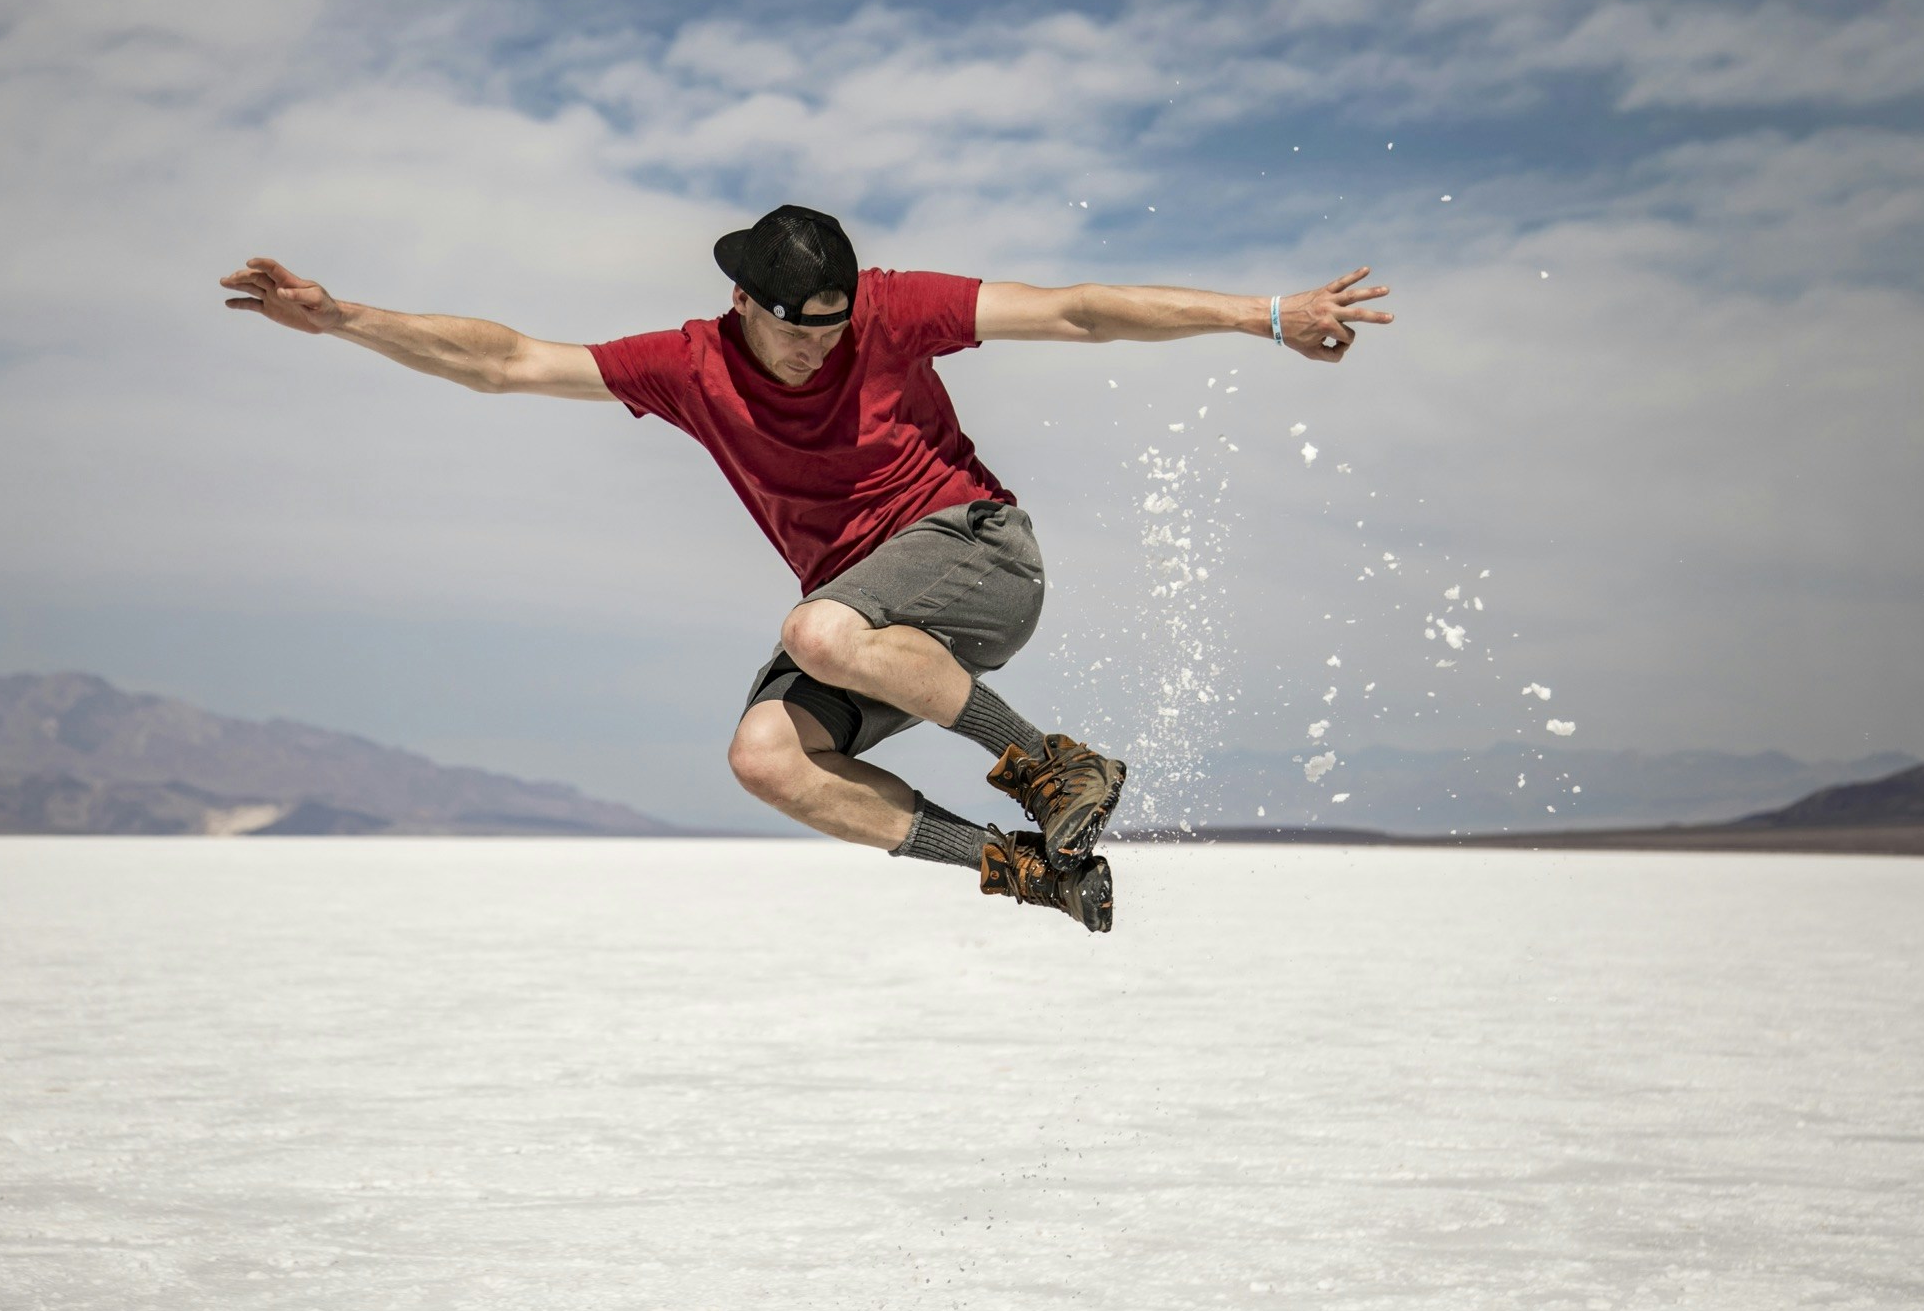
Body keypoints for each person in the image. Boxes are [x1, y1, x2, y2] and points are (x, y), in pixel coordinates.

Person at [220, 206, 1393, 933]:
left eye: (832, 324)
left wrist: (1264, 314)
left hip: (976, 555)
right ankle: (1022, 868)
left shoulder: (892, 312)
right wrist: (343, 318)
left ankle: (1053, 767)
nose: (817, 345)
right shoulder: (684, 366)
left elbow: (1078, 311)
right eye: (795, 327)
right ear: (741, 301)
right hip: (874, 621)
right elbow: (511, 361)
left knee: (818, 633)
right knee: (766, 756)